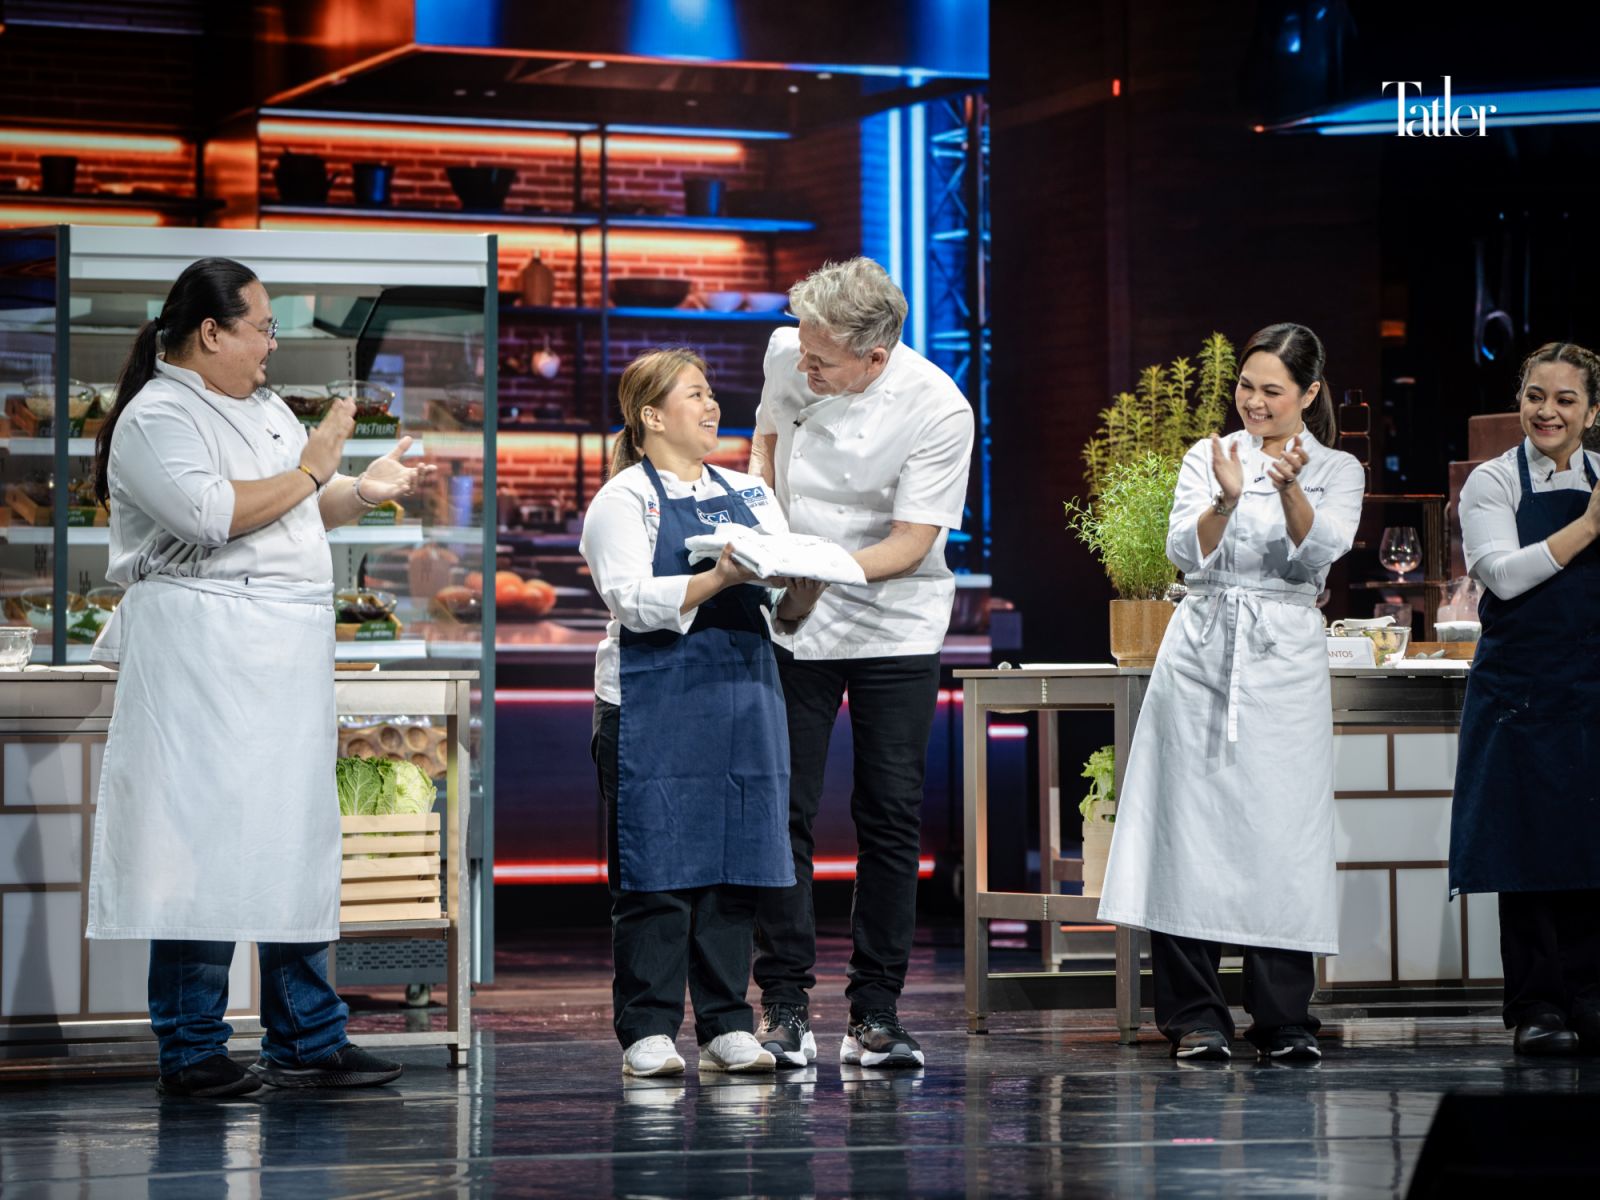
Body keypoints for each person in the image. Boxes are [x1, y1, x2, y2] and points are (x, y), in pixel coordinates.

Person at [85, 257, 431, 1097]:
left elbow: (300, 506)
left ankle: (308, 1035)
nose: (273, 344)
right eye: (263, 327)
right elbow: (210, 514)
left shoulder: (266, 408)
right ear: (211, 332)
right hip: (202, 654)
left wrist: (361, 489)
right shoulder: (157, 416)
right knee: (199, 847)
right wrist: (313, 468)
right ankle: (191, 1045)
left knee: (291, 843)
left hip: (282, 657)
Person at [1096, 322, 1365, 1063]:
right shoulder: (1209, 454)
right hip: (1202, 649)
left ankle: (1283, 1018)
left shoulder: (1337, 468)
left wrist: (1288, 492)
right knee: (1188, 830)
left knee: (1282, 835)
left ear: (1309, 393)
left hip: (1283, 655)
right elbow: (1183, 549)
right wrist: (1224, 498)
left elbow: (1323, 550)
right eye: (1246, 386)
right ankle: (1196, 1016)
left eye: (1272, 390)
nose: (1254, 402)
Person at [747, 257, 975, 1069]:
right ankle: (783, 1003)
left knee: (889, 815)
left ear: (875, 357)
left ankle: (876, 1011)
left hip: (894, 617)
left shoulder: (938, 408)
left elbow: (911, 543)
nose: (803, 366)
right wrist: (762, 525)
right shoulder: (789, 352)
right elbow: (766, 442)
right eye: (803, 350)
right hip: (795, 615)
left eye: (823, 362)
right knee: (783, 808)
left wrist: (817, 564)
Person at [580, 348, 825, 1077]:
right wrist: (718, 577)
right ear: (652, 417)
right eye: (694, 394)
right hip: (651, 705)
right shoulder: (624, 500)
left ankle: (726, 1026)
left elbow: (781, 611)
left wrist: (805, 591)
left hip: (743, 701)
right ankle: (648, 1030)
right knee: (654, 873)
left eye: (712, 392)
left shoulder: (749, 494)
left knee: (734, 869)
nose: (712, 405)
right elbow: (630, 599)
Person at [1450, 341, 1600, 1057]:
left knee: (1590, 844)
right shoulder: (1491, 481)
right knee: (1527, 850)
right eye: (1536, 396)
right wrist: (1590, 525)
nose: (1548, 411)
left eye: (1566, 399)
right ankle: (1537, 1004)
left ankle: (1592, 997)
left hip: (1592, 688)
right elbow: (1504, 577)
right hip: (1520, 694)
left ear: (1592, 412)